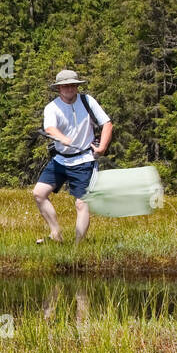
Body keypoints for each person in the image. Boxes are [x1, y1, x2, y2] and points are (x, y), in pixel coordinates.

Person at [33, 69, 112, 243]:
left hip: (84, 160)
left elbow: (107, 123)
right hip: (60, 159)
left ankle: (77, 247)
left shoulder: (88, 101)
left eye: (72, 85)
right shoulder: (52, 108)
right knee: (39, 193)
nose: (69, 88)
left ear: (77, 86)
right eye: (65, 86)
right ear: (59, 88)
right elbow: (50, 129)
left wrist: (102, 147)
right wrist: (62, 138)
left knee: (81, 203)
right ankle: (55, 234)